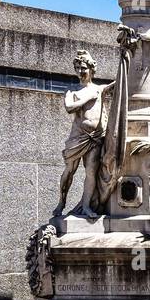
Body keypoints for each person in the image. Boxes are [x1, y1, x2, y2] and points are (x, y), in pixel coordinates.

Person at [55, 50, 113, 217]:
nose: (81, 71)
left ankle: (86, 206)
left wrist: (128, 61)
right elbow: (69, 107)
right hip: (77, 136)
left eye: (84, 68)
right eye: (78, 68)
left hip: (95, 137)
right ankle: (62, 201)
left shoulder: (100, 89)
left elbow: (118, 84)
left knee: (91, 172)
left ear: (91, 69)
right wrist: (88, 99)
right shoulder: (72, 90)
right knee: (69, 170)